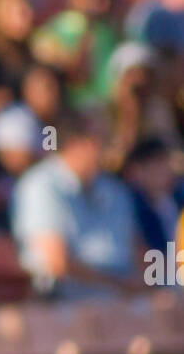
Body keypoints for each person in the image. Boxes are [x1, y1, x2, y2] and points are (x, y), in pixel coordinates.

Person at [10, 112, 144, 298]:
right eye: (101, 139)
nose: (110, 146)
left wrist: (146, 287)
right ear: (74, 144)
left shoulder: (115, 189)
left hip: (123, 300)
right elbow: (55, 262)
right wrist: (120, 285)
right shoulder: (40, 185)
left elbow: (136, 248)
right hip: (63, 302)